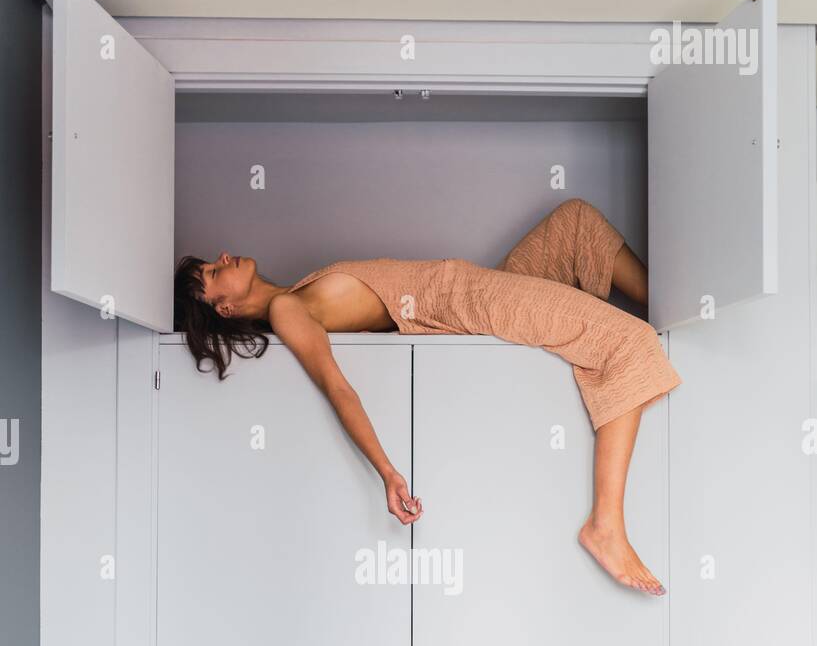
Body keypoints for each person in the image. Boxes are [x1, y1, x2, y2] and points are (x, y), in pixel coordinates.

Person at [173, 198, 681, 594]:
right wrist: (388, 472)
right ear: (223, 308)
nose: (223, 258)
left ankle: (685, 310)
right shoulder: (286, 310)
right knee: (629, 340)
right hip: (466, 301)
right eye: (215, 274)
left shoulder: (296, 291)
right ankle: (606, 525)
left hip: (470, 284)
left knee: (576, 225)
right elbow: (337, 387)